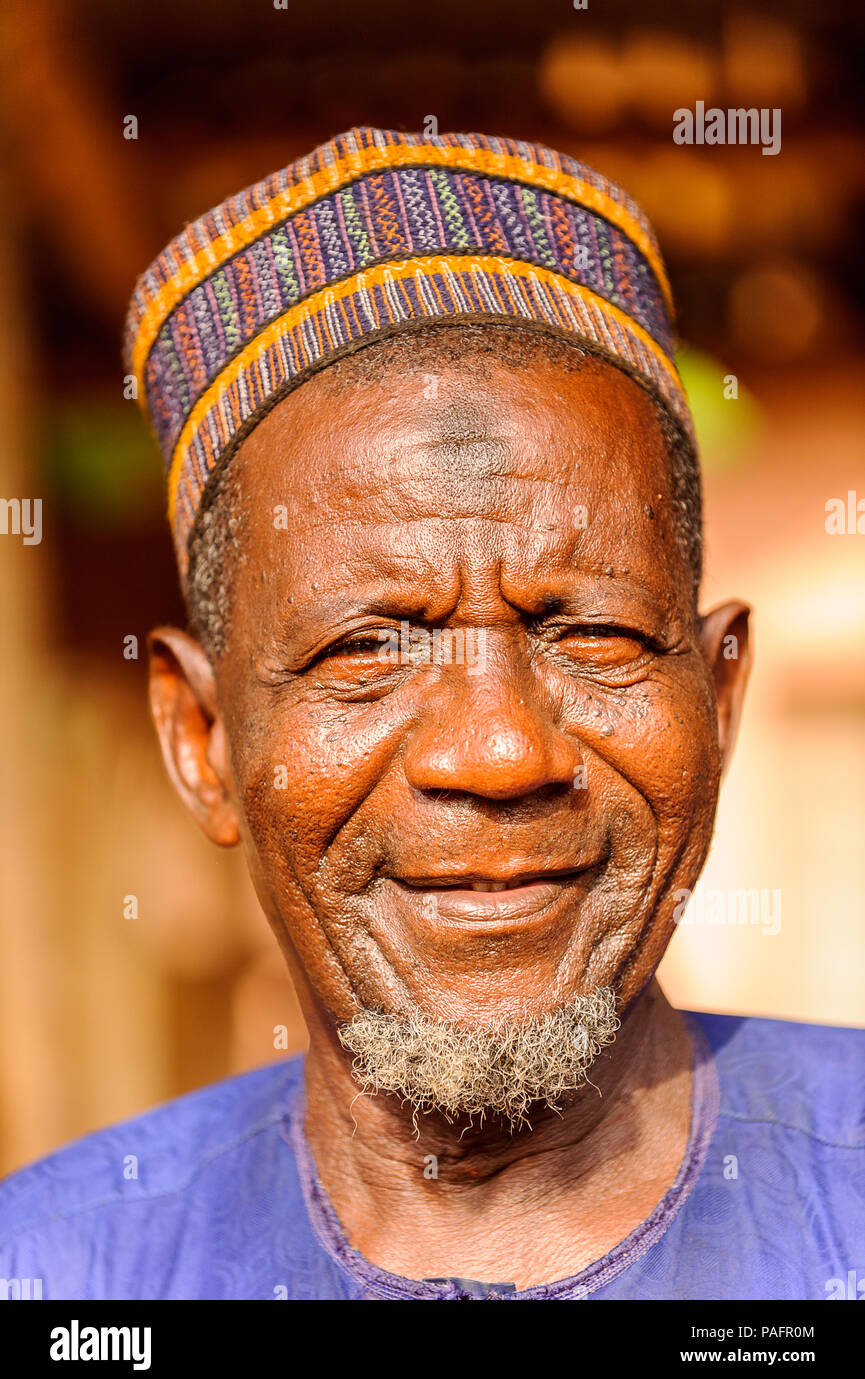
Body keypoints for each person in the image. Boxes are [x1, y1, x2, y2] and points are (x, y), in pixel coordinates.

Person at [2, 127, 862, 1301]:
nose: (499, 749)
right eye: (364, 650)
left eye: (592, 634)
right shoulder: (56, 1276)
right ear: (200, 740)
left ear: (715, 697)